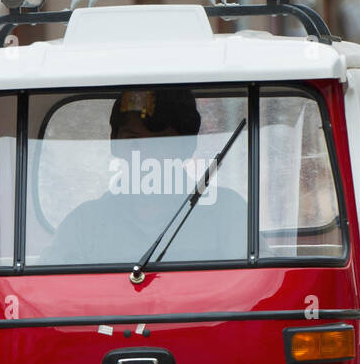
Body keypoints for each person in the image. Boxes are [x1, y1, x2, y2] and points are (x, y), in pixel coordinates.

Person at [41, 86, 247, 267]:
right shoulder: (85, 225)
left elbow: (257, 288)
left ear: (188, 146)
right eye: (133, 140)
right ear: (115, 143)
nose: (147, 154)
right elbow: (48, 295)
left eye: (162, 142)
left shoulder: (227, 214)